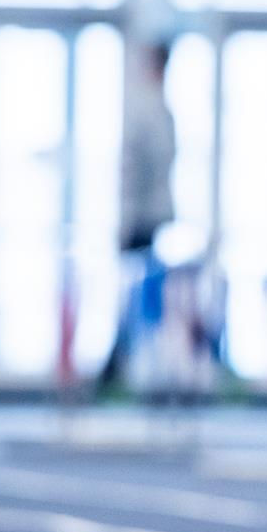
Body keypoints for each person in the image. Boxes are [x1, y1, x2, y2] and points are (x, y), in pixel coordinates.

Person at [99, 39, 177, 395]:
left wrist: (127, 220)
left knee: (136, 301)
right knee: (139, 301)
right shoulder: (160, 109)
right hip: (150, 219)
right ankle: (119, 372)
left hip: (142, 222)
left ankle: (119, 374)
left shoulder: (148, 109)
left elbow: (135, 171)